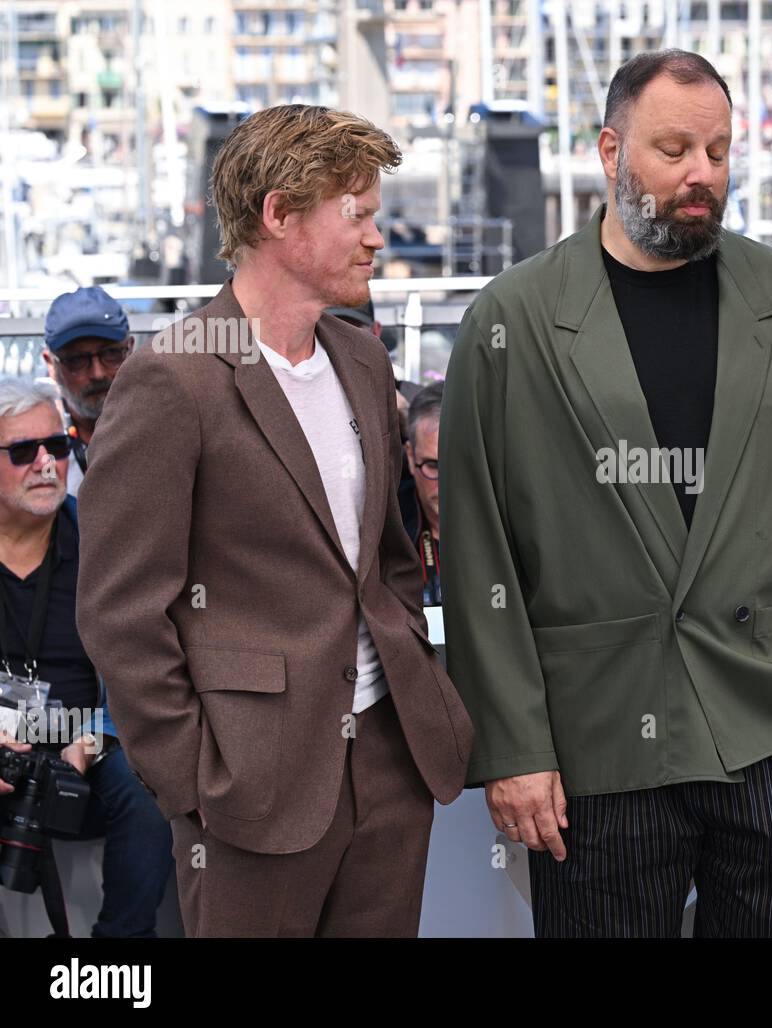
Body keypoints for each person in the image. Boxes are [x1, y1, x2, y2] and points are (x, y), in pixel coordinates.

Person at [440, 49, 772, 938]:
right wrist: (514, 750)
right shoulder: (511, 321)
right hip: (597, 747)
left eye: (717, 152)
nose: (701, 176)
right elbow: (478, 548)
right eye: (673, 149)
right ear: (610, 152)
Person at [73, 104, 472, 938]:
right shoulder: (171, 380)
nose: (376, 237)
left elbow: (388, 559)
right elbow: (119, 613)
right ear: (280, 215)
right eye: (356, 213)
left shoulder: (363, 356)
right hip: (248, 791)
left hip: (389, 763)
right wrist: (195, 783)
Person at [0, 376, 172, 938]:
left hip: (90, 738)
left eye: (58, 445)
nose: (47, 464)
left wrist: (97, 736)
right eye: (23, 452)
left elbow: (148, 658)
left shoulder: (101, 540)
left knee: (149, 789)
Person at [40, 286, 135, 496]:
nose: (98, 373)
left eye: (111, 353)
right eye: (76, 360)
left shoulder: (164, 424)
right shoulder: (33, 445)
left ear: (131, 350)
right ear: (50, 365)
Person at [403, 383, 442, 607]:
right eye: (434, 466)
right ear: (410, 457)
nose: (448, 483)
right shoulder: (387, 532)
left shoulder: (510, 528)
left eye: (462, 464)